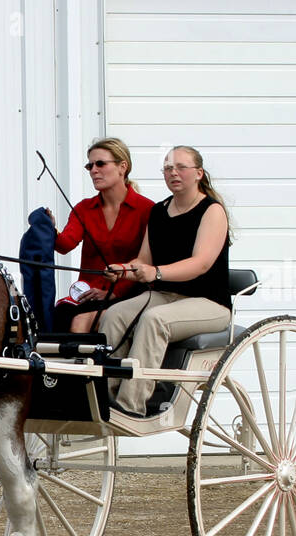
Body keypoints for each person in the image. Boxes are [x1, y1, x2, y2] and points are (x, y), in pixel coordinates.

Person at [100, 145, 232, 417]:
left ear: (198, 173)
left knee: (154, 320)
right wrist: (123, 269)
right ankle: (106, 396)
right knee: (114, 315)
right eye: (168, 168)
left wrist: (157, 273)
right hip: (166, 297)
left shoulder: (212, 210)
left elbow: (201, 263)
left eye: (180, 167)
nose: (173, 173)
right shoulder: (159, 211)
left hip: (208, 303)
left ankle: (131, 405)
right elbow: (143, 261)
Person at [49, 138, 153, 333]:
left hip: (130, 293)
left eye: (100, 164)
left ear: (123, 167)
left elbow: (148, 262)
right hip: (88, 294)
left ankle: (85, 363)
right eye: (90, 165)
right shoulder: (84, 208)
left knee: (83, 322)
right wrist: (48, 228)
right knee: (57, 317)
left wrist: (113, 293)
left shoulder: (147, 210)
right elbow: (65, 245)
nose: (93, 170)